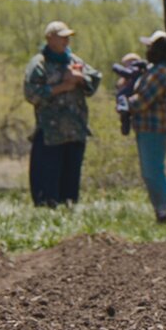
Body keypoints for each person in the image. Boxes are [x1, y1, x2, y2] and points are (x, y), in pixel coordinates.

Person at [23, 21, 100, 207]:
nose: (66, 40)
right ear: (50, 39)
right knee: (47, 178)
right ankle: (47, 211)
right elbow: (31, 94)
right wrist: (62, 86)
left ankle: (69, 210)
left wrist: (80, 80)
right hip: (50, 132)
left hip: (76, 130)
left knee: (71, 178)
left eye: (68, 37)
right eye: (62, 36)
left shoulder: (75, 61)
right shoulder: (39, 64)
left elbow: (94, 80)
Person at [123, 32, 166, 223]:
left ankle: (163, 212)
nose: (147, 51)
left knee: (152, 170)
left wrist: (126, 103)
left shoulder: (160, 73)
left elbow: (143, 100)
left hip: (155, 126)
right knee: (151, 170)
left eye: (150, 47)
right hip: (153, 126)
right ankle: (161, 210)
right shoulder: (159, 70)